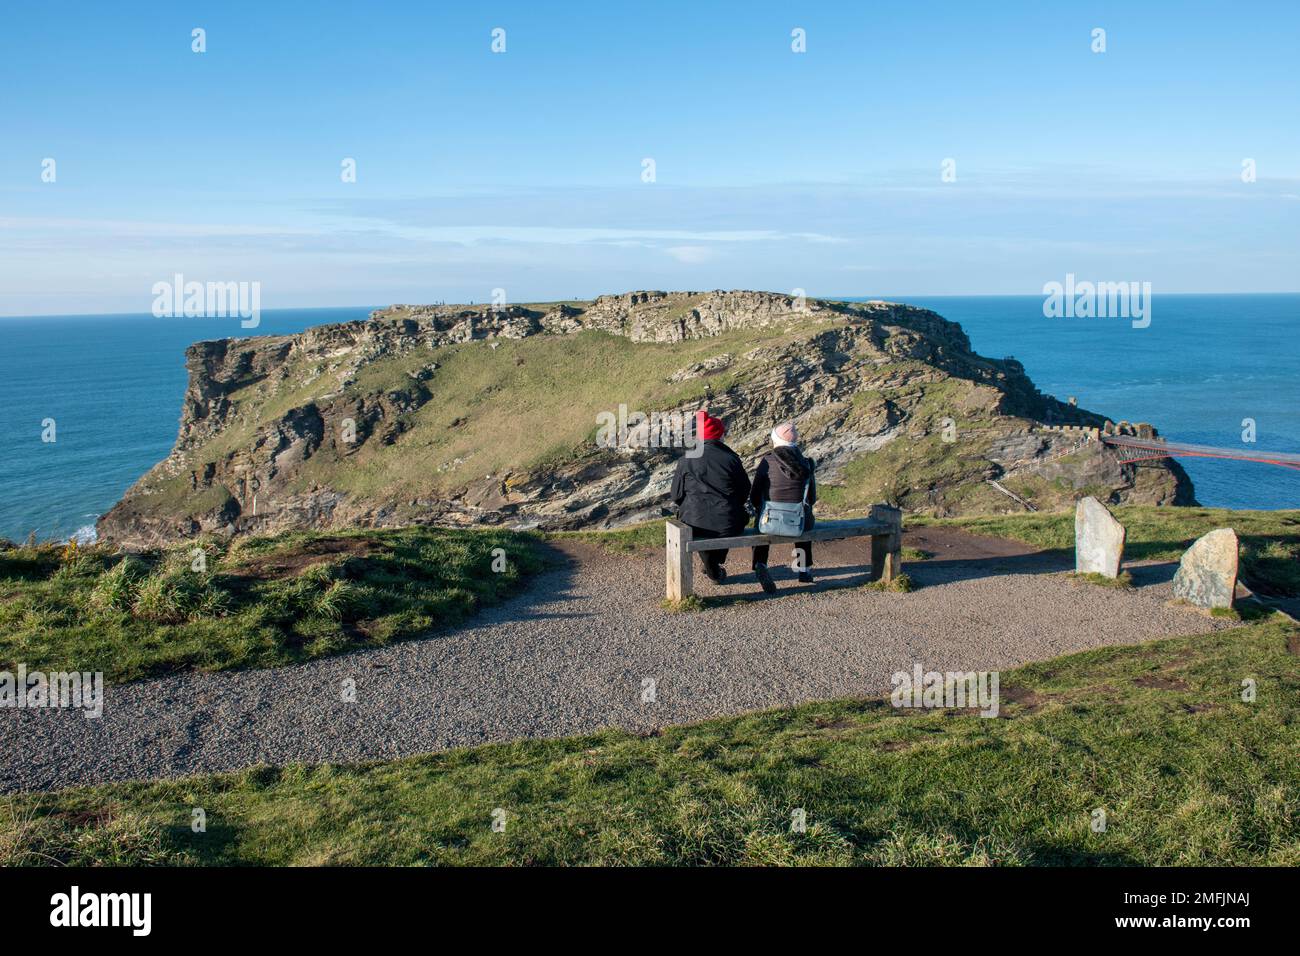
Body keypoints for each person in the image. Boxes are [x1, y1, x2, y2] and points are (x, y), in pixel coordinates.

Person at [670, 410, 751, 583]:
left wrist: (689, 505)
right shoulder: (731, 459)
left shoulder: (687, 459)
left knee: (700, 524)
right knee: (733, 520)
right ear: (720, 435)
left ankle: (712, 565)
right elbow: (745, 490)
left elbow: (675, 494)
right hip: (727, 521)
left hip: (694, 521)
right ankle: (714, 564)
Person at [749, 421, 816, 594]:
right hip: (797, 520)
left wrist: (759, 507)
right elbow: (811, 498)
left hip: (770, 518)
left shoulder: (768, 461)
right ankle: (803, 569)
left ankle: (760, 564)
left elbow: (755, 495)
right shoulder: (806, 463)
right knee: (802, 521)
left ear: (775, 439)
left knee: (761, 525)